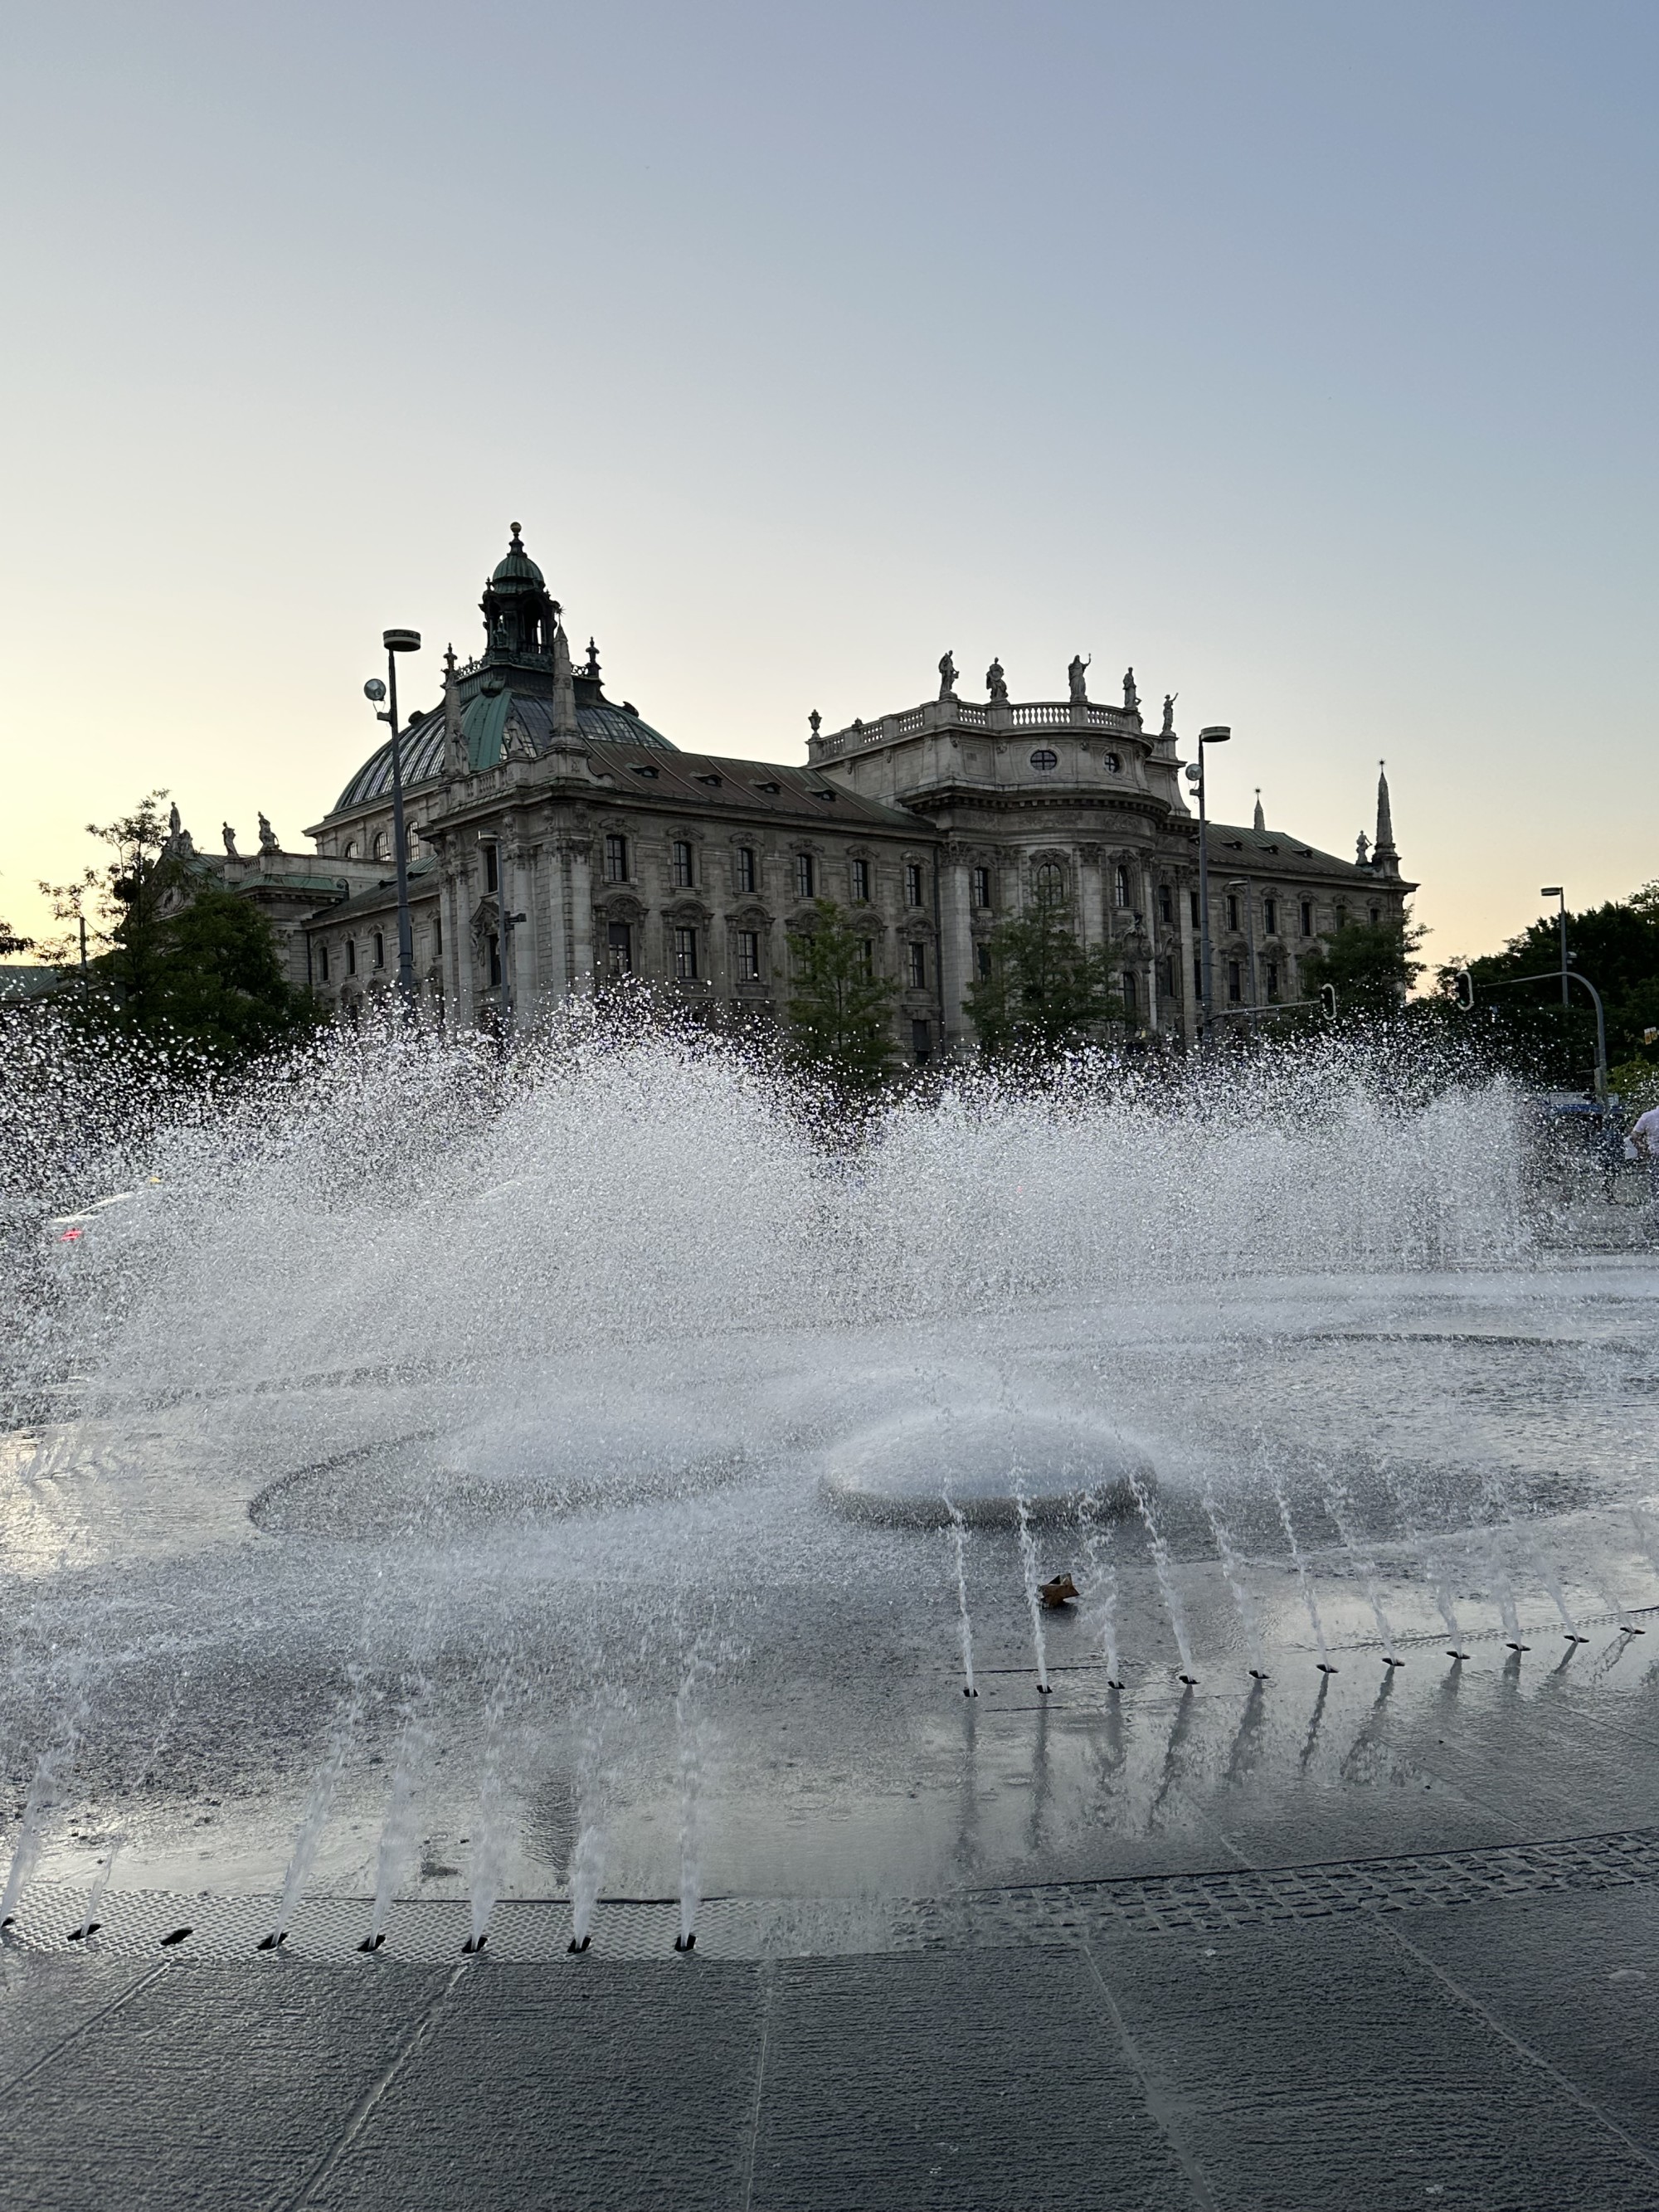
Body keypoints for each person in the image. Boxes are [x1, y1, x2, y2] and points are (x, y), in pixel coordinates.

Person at [1630, 1099, 1659, 1211]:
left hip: (1655, 1155)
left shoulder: (1648, 1116)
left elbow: (1634, 1134)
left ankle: (1655, 1213)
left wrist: (1642, 1147)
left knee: (1656, 1187)